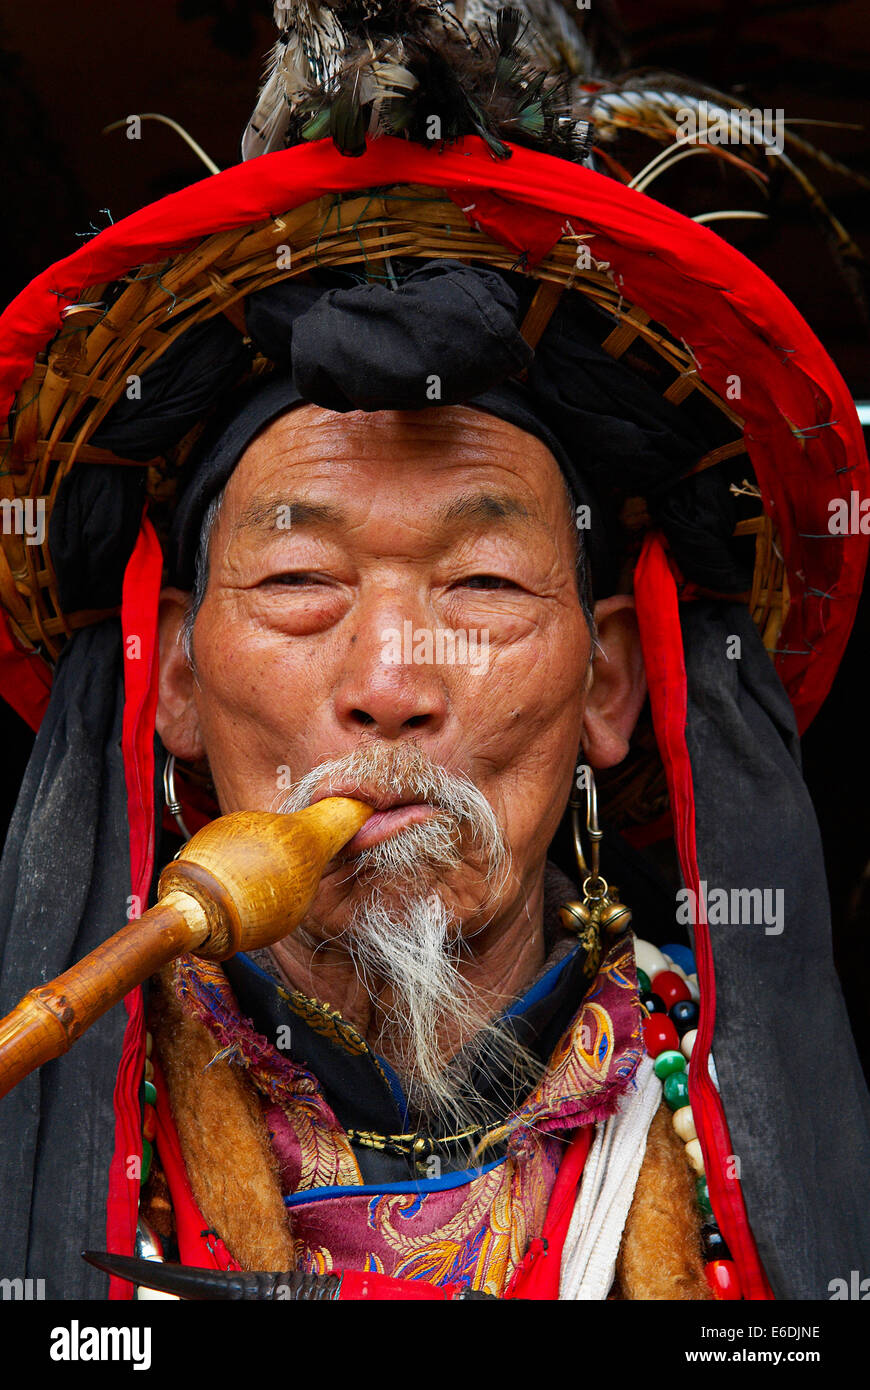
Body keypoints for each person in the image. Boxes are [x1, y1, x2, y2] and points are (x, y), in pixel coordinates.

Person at [0, 0, 868, 1301]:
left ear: (610, 679)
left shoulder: (743, 1144)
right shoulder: (50, 1119)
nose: (390, 683)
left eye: (478, 581)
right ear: (173, 675)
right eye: (298, 580)